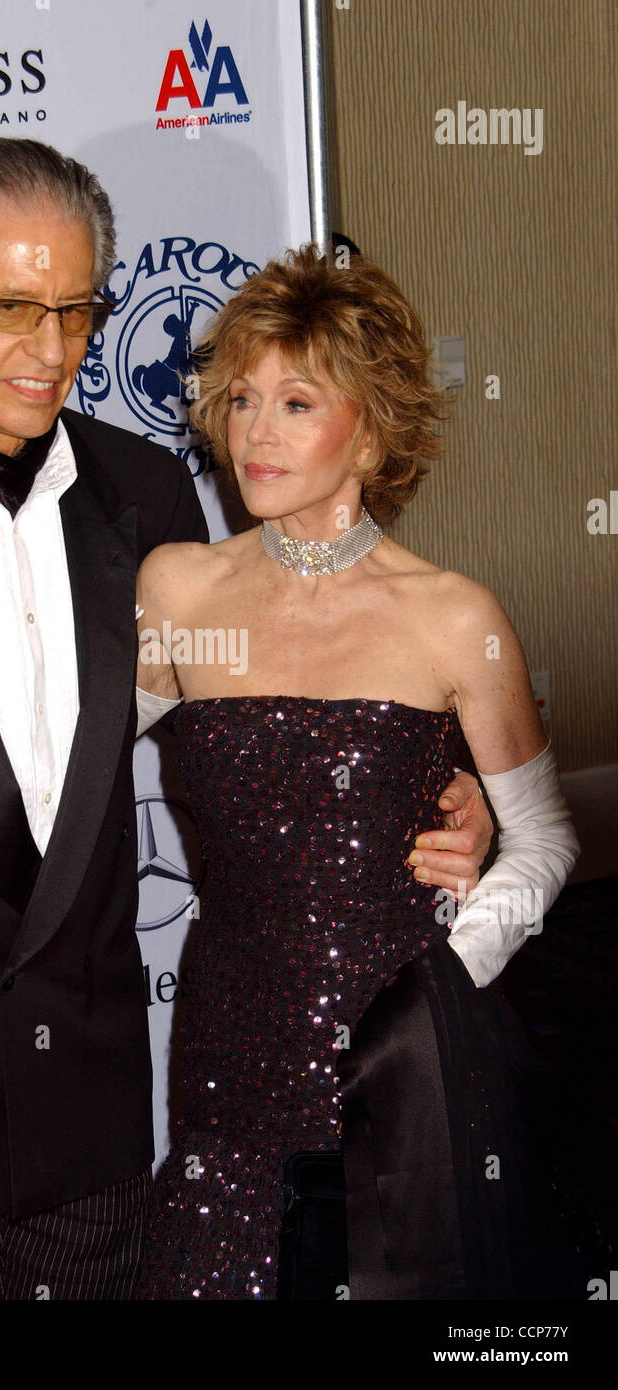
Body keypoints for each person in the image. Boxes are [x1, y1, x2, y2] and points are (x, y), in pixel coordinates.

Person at [0, 138, 487, 1301]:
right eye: (13, 308)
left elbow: (275, 719)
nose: (53, 350)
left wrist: (455, 803)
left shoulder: (147, 498)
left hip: (85, 1139)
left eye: (77, 308)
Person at [134, 245, 581, 1300]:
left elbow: (546, 835)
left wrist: (439, 983)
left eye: (296, 402)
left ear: (373, 429)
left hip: (407, 1069)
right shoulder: (179, 592)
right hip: (227, 1064)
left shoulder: (452, 615)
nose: (253, 430)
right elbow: (62, 786)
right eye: (240, 398)